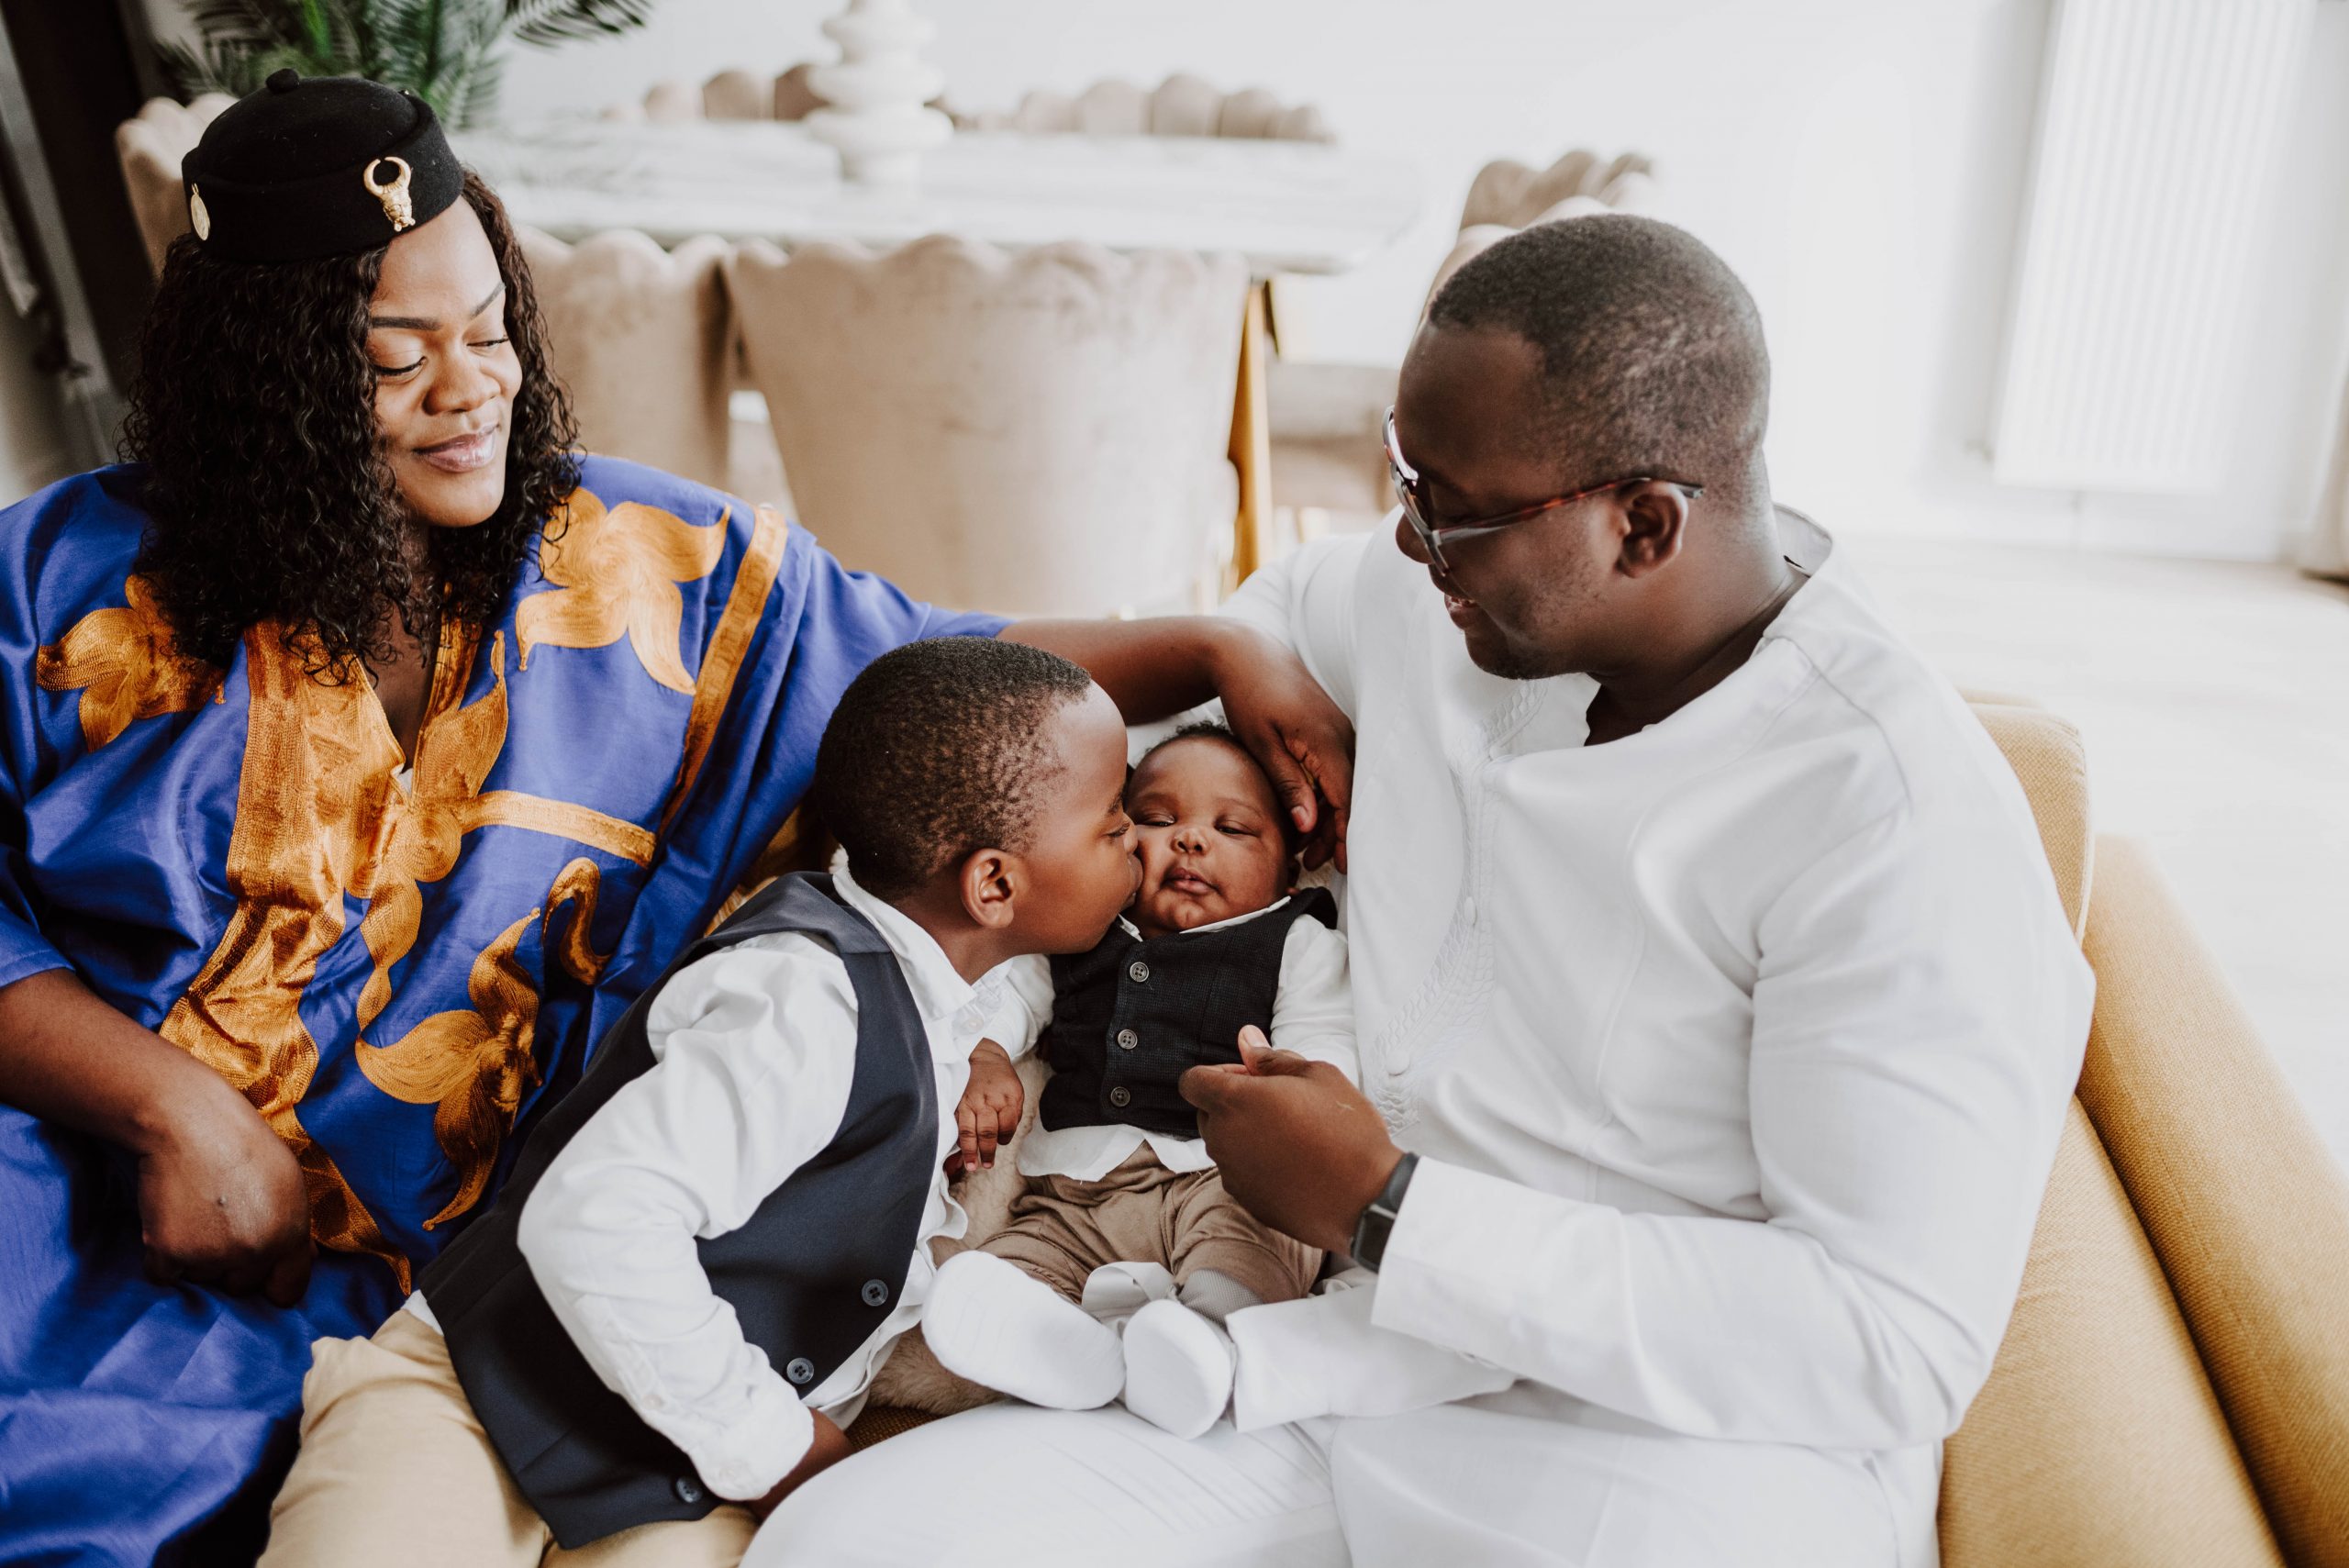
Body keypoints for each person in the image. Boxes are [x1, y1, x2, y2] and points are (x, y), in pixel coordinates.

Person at [0, 75, 1349, 1565]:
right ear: (265, 385)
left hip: (515, 1270)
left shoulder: (652, 563)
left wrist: (1219, 646)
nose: (472, 390)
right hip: (104, 1224)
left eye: (491, 330)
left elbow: (939, 678)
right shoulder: (54, 587)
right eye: (397, 358)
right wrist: (161, 1101)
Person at [755, 214, 2095, 1568]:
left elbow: (1888, 1336)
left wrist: (1388, 1204)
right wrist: (1236, 644)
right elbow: (1192, 651)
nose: (1403, 542)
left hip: (1658, 1455)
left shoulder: (1894, 818)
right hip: (1295, 1360)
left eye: (1446, 508)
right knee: (845, 1548)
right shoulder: (1450, 606)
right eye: (1403, 475)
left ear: (1645, 525)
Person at [257, 638, 1141, 1566]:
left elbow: (1017, 979)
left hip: (678, 1475)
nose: (1141, 842)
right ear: (993, 882)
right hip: (483, 1393)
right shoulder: (806, 1001)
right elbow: (597, 1218)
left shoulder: (948, 968)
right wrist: (779, 1446)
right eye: (1116, 823)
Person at [921, 723, 1360, 1439]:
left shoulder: (1294, 938)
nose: (1190, 840)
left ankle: (1202, 1346)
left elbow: (1325, 1042)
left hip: (1222, 1179)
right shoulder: (1085, 925)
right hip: (1075, 1193)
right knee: (1006, 1273)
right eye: (1157, 821)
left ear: (1287, 873)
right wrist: (989, 1056)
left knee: (1246, 1252)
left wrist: (1301, 1093)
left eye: (1233, 827)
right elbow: (1013, 990)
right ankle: (1081, 1356)